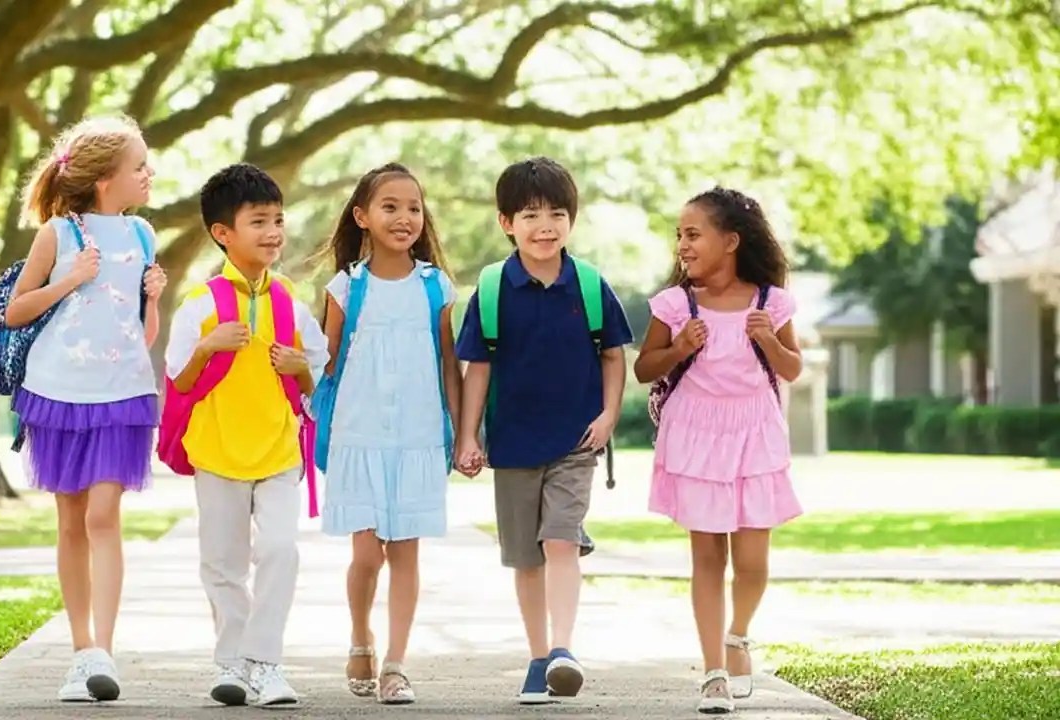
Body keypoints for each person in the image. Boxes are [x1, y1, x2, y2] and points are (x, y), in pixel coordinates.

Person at [454, 156, 632, 704]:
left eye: (557, 212)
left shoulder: (589, 283)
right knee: (526, 559)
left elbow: (612, 356)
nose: (545, 225)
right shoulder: (490, 288)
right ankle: (537, 659)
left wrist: (607, 416)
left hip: (575, 442)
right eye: (531, 214)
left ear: (571, 220)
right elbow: (477, 367)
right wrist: (468, 436)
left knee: (560, 541)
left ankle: (562, 649)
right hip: (511, 444)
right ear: (507, 222)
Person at [5, 115, 167, 703]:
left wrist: (151, 301)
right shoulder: (57, 235)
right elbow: (17, 310)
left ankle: (105, 647)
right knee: (71, 520)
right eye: (140, 166)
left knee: (104, 517)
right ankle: (82, 653)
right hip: (57, 394)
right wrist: (70, 279)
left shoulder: (144, 235)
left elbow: (140, 335)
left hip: (123, 392)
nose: (149, 174)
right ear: (105, 179)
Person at [633, 187, 803, 714]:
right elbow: (644, 368)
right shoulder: (674, 303)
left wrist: (770, 343)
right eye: (679, 235)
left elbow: (792, 368)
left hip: (754, 434)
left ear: (730, 241)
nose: (682, 244)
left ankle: (738, 635)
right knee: (708, 557)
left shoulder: (769, 302)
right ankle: (713, 674)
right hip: (696, 434)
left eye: (693, 234)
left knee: (752, 563)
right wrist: (680, 346)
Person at [163, 163, 329, 707]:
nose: (273, 232)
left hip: (279, 451)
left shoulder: (291, 302)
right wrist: (209, 348)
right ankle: (232, 663)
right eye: (259, 221)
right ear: (222, 233)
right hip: (217, 452)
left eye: (278, 220)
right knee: (224, 563)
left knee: (281, 550)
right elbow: (179, 381)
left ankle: (265, 663)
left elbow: (312, 382)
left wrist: (298, 366)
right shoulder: (201, 304)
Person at [314, 162, 460, 705]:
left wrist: (464, 433)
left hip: (419, 435)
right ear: (363, 217)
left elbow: (449, 363)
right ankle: (360, 637)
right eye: (390, 207)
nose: (404, 217)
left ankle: (397, 663)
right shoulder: (345, 286)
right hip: (359, 435)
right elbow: (326, 362)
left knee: (405, 554)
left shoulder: (435, 286)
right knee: (367, 557)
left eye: (414, 208)